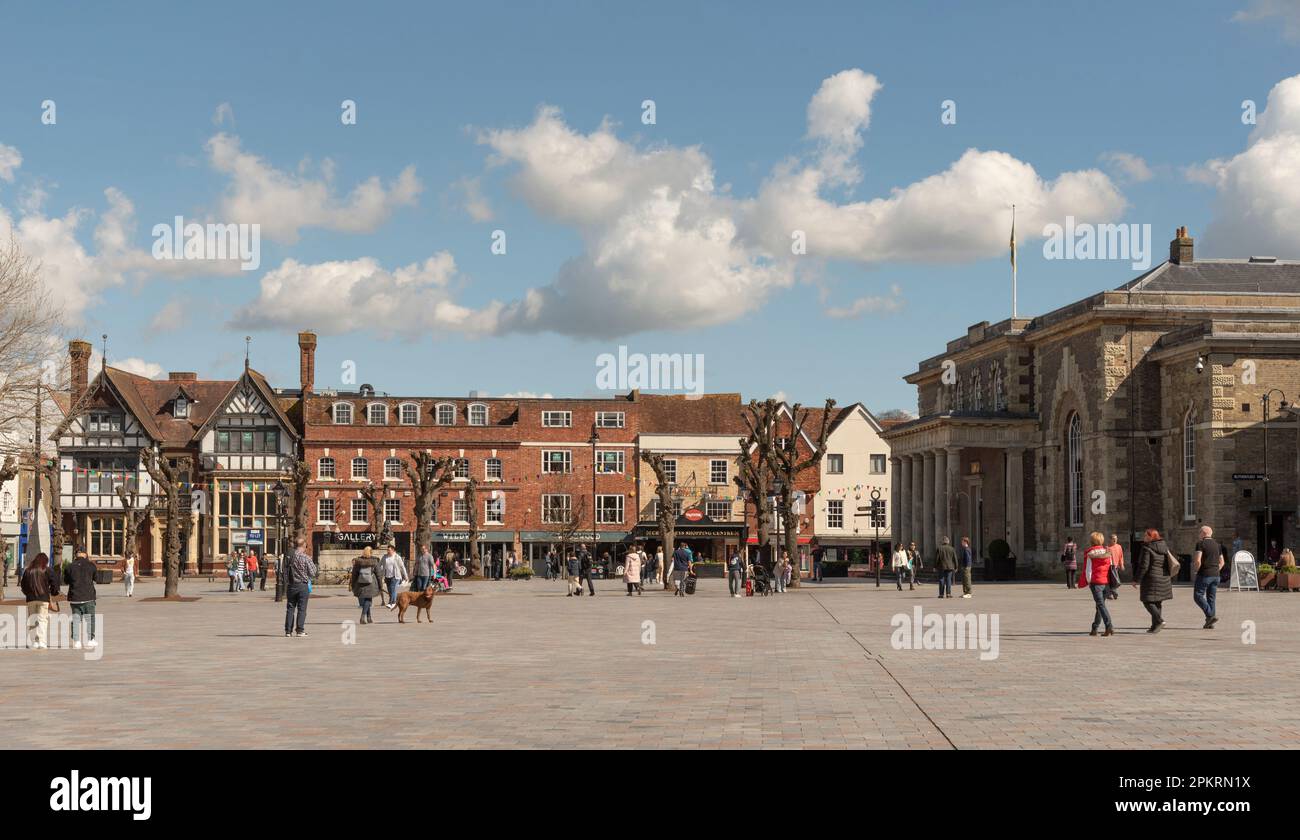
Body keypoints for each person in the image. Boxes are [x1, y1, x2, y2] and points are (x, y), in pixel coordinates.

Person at [1132, 528, 1175, 633]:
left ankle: (1159, 621)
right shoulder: (1163, 546)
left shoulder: (1147, 548)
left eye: (1146, 536)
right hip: (1163, 577)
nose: (1144, 537)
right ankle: (1155, 626)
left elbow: (1144, 566)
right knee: (1157, 602)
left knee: (1147, 600)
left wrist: (1136, 579)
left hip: (1151, 578)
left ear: (1151, 537)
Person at [63, 548, 99, 650]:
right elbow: (96, 578)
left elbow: (66, 581)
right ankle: (90, 640)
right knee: (90, 619)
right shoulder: (91, 565)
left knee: (76, 619)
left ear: (76, 555)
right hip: (88, 597)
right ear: (85, 554)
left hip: (75, 597)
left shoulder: (69, 566)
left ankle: (76, 641)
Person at [20, 552, 57, 649]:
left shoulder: (28, 570)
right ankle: (42, 642)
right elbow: (54, 583)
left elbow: (23, 585)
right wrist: (53, 592)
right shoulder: (47, 570)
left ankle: (34, 641)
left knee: (32, 620)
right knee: (42, 620)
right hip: (43, 598)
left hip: (31, 598)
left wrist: (28, 593)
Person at [1082, 532, 1114, 636]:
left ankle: (1109, 626)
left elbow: (1088, 570)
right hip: (1106, 582)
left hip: (1096, 582)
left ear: (1092, 541)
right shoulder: (1107, 552)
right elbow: (1111, 567)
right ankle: (1094, 628)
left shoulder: (1090, 554)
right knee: (1100, 606)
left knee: (1100, 605)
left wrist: (1089, 581)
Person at [1192, 525, 1224, 630]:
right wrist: (1215, 570)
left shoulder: (1200, 544)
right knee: (1211, 598)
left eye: (1199, 533)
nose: (1198, 535)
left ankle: (1210, 615)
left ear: (1203, 533)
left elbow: (1197, 560)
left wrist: (1196, 570)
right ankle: (1209, 622)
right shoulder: (1218, 545)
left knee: (1198, 595)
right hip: (1216, 575)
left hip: (1204, 574)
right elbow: (1222, 562)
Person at [283, 538, 316, 637]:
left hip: (291, 585)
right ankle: (300, 630)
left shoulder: (290, 556)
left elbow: (283, 568)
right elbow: (313, 572)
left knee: (290, 608)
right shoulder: (306, 558)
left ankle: (288, 631)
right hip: (302, 585)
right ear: (304, 545)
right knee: (302, 609)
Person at [350, 547, 382, 624]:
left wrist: (353, 584)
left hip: (360, 583)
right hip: (371, 584)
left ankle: (369, 617)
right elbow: (378, 575)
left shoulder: (358, 561)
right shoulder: (374, 561)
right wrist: (380, 585)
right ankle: (362, 616)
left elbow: (354, 574)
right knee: (368, 600)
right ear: (371, 552)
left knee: (366, 600)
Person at [381, 543, 407, 610]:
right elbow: (379, 565)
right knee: (390, 590)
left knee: (393, 589)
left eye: (389, 550)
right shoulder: (385, 557)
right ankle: (393, 602)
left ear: (393, 550)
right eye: (387, 550)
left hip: (396, 576)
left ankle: (392, 603)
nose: (388, 551)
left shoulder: (397, 557)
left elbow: (402, 567)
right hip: (387, 576)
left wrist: (405, 576)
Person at [1105, 534, 1125, 600]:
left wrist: (1121, 564)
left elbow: (1121, 556)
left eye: (1116, 539)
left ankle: (1114, 591)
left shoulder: (1119, 547)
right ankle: (1110, 594)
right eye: (1113, 539)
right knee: (1109, 581)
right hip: (1109, 566)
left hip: (1116, 566)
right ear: (1110, 540)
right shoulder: (1107, 547)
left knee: (1115, 580)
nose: (1115, 540)